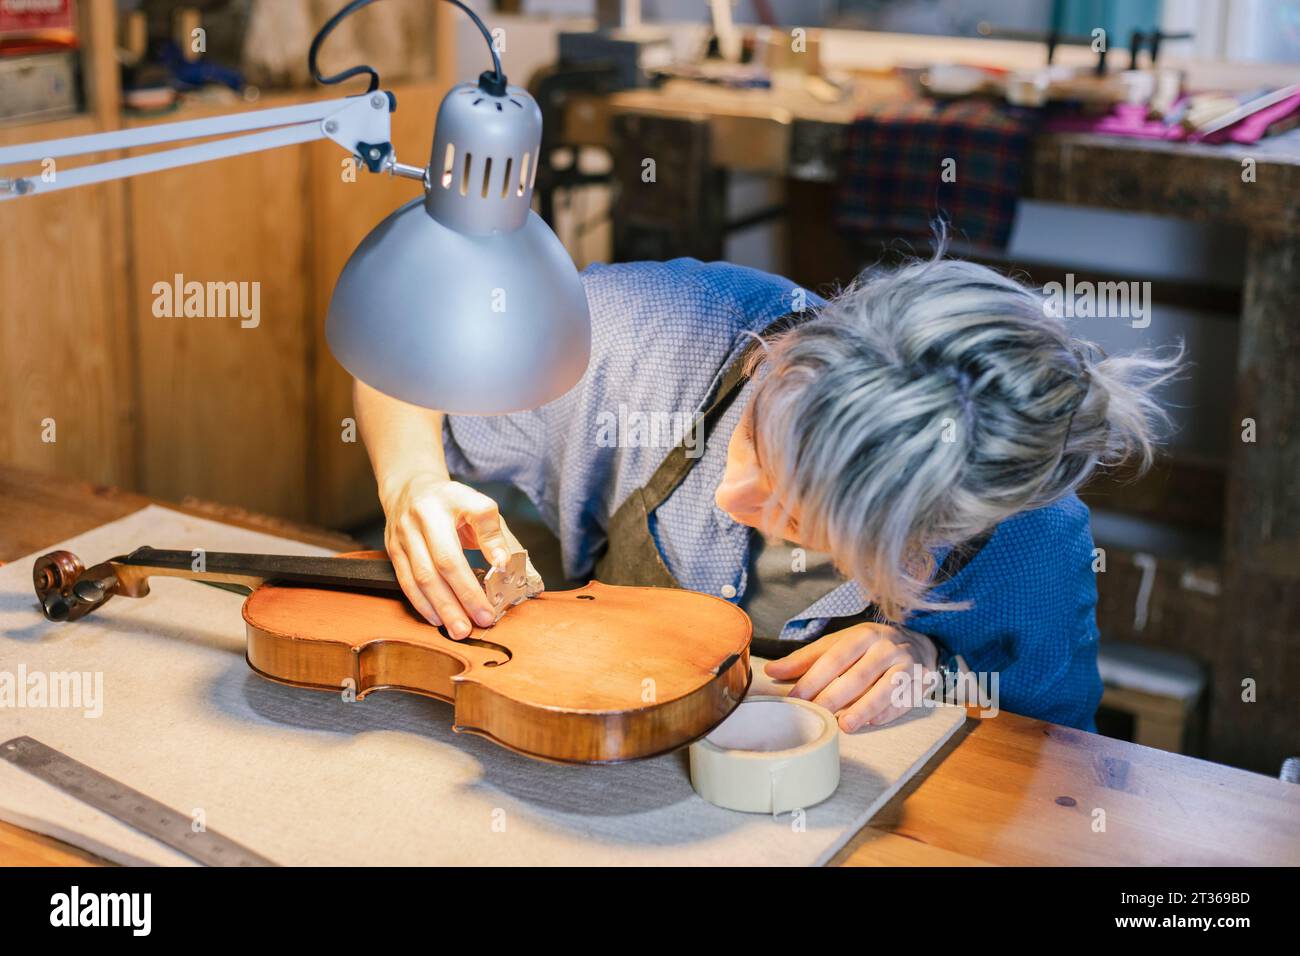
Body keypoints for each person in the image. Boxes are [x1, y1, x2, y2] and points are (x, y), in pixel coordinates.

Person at [354, 248, 1178, 732]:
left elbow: (1051, 764)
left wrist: (935, 668)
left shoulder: (1029, 544)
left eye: (799, 514)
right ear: (785, 357)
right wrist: (413, 481)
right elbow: (401, 356)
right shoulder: (657, 325)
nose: (731, 498)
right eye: (754, 438)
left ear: (925, 539)